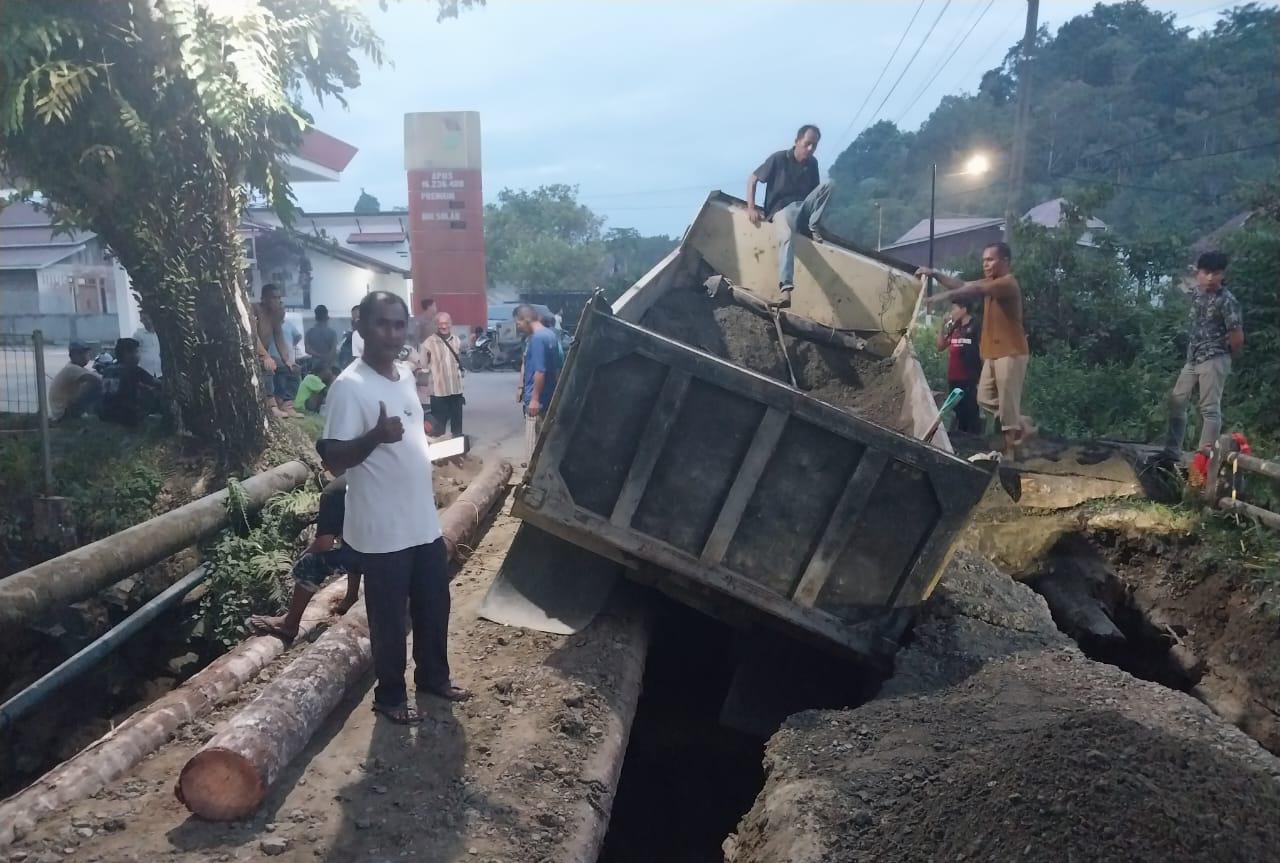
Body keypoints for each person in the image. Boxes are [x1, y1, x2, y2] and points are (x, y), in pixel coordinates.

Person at [318, 290, 469, 725]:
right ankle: (389, 696)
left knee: (434, 606)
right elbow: (332, 460)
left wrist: (424, 432)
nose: (391, 333)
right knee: (388, 619)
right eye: (381, 323)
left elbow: (407, 433)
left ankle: (434, 678)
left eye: (399, 324)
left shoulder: (403, 374)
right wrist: (375, 437)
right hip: (382, 530)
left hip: (421, 521)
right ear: (361, 326)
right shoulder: (349, 386)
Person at [919, 242, 1033, 456]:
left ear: (1005, 261)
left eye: (990, 260)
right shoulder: (990, 282)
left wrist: (942, 296)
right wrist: (934, 274)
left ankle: (1012, 454)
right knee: (984, 398)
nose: (985, 264)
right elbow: (962, 284)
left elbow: (974, 289)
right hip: (992, 353)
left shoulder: (1007, 283)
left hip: (1010, 352)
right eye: (984, 260)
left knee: (1007, 407)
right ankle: (1020, 423)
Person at [248, 476, 362, 642]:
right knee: (352, 540)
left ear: (326, 465)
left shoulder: (335, 490)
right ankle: (351, 597)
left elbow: (324, 544)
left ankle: (289, 624)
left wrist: (303, 556)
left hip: (374, 558)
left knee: (309, 563)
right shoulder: (368, 477)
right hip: (397, 553)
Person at [1163, 250, 1244, 454]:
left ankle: (1205, 458)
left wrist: (1226, 356)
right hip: (1194, 357)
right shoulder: (1198, 294)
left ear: (1222, 275)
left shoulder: (1227, 300)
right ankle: (1172, 451)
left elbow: (1237, 335)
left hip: (1214, 357)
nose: (1210, 278)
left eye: (1215, 273)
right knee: (1177, 400)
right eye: (1206, 272)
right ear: (1198, 273)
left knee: (1209, 409)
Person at [747, 124, 833, 304]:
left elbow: (815, 194)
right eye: (807, 144)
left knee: (829, 184)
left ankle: (814, 225)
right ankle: (786, 289)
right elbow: (752, 179)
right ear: (797, 141)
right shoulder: (778, 159)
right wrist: (751, 207)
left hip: (803, 209)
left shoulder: (813, 164)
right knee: (786, 236)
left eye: (814, 146)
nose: (810, 149)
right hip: (782, 210)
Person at [515, 304, 560, 460]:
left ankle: (531, 473)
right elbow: (556, 368)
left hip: (536, 401)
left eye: (518, 323)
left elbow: (540, 371)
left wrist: (534, 399)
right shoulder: (551, 335)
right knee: (546, 444)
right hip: (548, 397)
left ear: (526, 319)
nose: (518, 327)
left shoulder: (537, 339)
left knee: (532, 447)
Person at [935, 300, 983, 435]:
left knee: (970, 412)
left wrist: (982, 378)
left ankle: (972, 439)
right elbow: (940, 346)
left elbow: (983, 352)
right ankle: (959, 439)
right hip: (953, 378)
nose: (952, 313)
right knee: (957, 411)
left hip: (969, 379)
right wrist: (942, 326)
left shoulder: (975, 327)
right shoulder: (955, 328)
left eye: (954, 309)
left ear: (964, 310)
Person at [98, 337, 163, 427]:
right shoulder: (133, 370)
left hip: (105, 413)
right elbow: (157, 383)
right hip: (125, 415)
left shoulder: (108, 369)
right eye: (136, 352)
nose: (138, 355)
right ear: (127, 354)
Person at [419, 311, 465, 437]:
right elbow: (423, 365)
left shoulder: (456, 340)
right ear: (436, 325)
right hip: (439, 390)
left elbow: (459, 360)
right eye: (440, 323)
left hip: (456, 388)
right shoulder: (428, 343)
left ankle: (457, 444)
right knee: (439, 426)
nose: (444, 326)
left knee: (457, 424)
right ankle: (440, 446)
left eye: (446, 323)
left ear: (451, 324)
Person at [252, 283, 293, 418]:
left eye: (279, 298)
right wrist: (265, 356)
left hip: (265, 354)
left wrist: (287, 359)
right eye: (274, 298)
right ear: (264, 299)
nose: (278, 301)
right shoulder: (255, 309)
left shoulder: (277, 314)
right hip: (251, 354)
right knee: (268, 367)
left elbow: (279, 335)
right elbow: (253, 336)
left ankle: (285, 403)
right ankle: (271, 406)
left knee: (289, 368)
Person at [47, 340, 102, 422]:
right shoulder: (72, 369)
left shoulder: (73, 368)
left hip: (61, 411)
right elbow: (97, 379)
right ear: (71, 355)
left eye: (86, 353)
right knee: (96, 386)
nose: (84, 356)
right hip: (63, 413)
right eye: (80, 353)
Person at [305, 305, 339, 372]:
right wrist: (327, 359)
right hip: (329, 366)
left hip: (315, 365)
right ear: (326, 317)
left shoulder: (309, 332)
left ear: (316, 318)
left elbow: (307, 350)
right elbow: (333, 350)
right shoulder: (332, 332)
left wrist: (319, 355)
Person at [133, 312, 163, 379]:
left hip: (159, 371)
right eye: (144, 319)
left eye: (149, 318)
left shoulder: (158, 334)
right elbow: (134, 351)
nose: (148, 321)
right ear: (141, 321)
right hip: (144, 371)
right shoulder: (138, 335)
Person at [338, 304, 361, 368]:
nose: (354, 322)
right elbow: (343, 363)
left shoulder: (372, 339)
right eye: (353, 319)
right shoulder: (348, 339)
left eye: (358, 319)